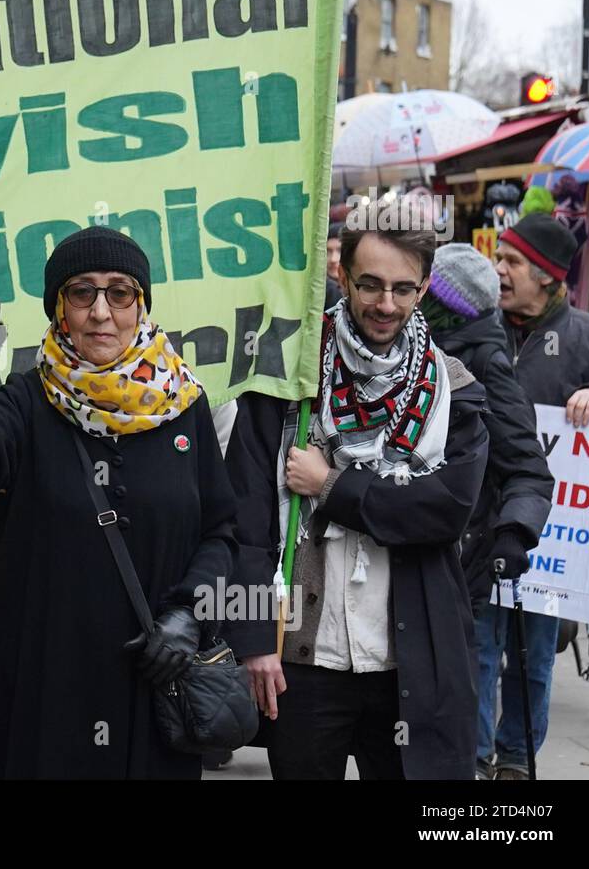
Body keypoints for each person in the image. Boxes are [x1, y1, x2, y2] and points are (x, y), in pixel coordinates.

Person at [0, 225, 239, 779]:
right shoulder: (27, 400)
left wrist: (191, 613)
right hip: (48, 689)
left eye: (120, 292)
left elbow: (221, 531)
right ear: (60, 309)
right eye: (82, 292)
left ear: (140, 305)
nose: (101, 312)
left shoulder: (185, 405)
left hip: (154, 685)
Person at [226, 219, 490, 780]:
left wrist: (331, 486)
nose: (385, 304)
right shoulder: (287, 380)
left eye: (402, 288)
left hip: (409, 665)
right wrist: (254, 640)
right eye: (370, 284)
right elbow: (242, 518)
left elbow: (444, 510)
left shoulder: (454, 389)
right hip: (302, 658)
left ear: (423, 288)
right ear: (342, 276)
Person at [419, 244, 555, 780]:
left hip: (460, 558)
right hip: (397, 549)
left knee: (459, 680)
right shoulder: (409, 348)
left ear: (446, 303)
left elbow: (528, 465)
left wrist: (514, 531)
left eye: (424, 289)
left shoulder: (484, 363)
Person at [489, 213, 589, 779]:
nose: (498, 269)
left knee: (534, 656)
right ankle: (473, 756)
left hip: (552, 542)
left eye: (512, 261)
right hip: (482, 522)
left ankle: (515, 759)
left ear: (547, 277)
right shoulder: (482, 325)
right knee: (477, 648)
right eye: (499, 258)